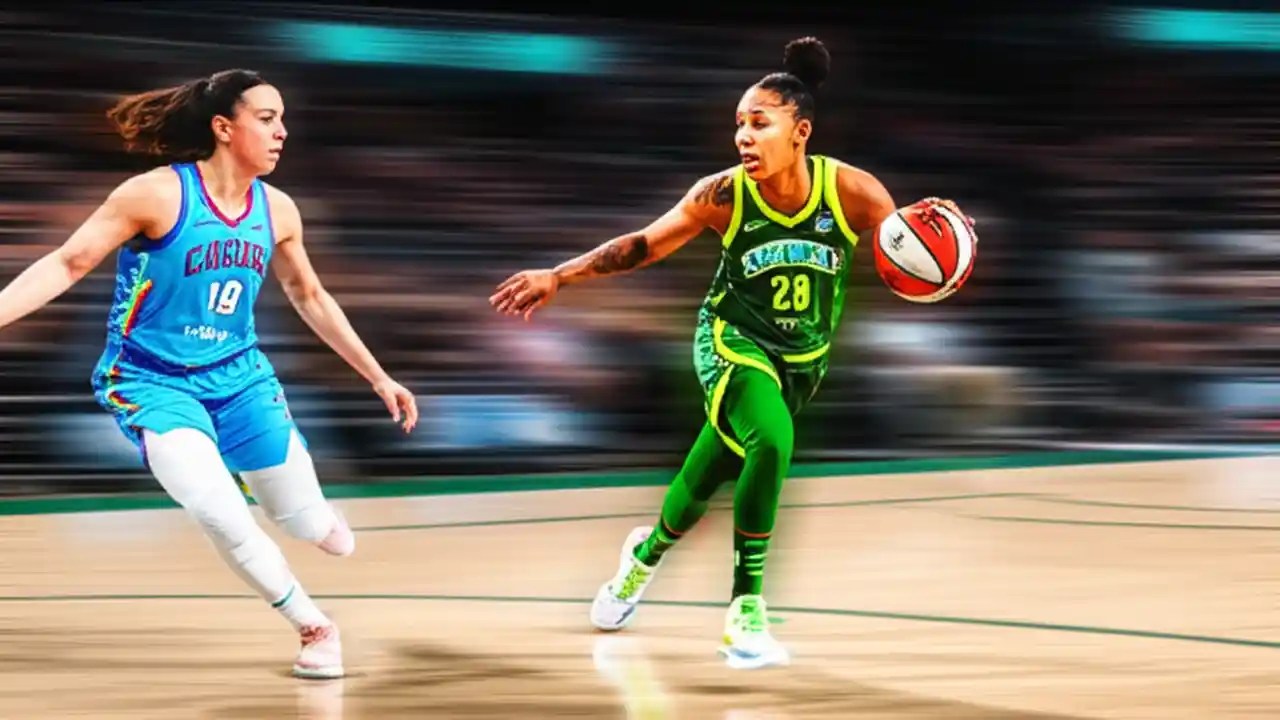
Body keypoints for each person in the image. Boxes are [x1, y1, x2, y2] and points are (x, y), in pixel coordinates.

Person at [491, 38, 972, 669]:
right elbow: (642, 245)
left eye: (759, 122)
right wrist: (560, 274)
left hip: (802, 363)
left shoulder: (853, 192)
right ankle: (745, 613)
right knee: (771, 442)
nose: (743, 136)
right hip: (730, 341)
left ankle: (642, 558)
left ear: (800, 132)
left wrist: (949, 238)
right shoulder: (720, 194)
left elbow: (906, 244)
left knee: (706, 479)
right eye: (738, 124)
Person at [0, 69, 418, 679]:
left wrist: (379, 377)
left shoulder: (277, 210)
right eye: (268, 119)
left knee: (305, 522)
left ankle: (313, 514)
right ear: (225, 128)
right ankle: (314, 626)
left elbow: (311, 296)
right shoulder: (156, 195)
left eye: (283, 120)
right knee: (218, 510)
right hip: (150, 382)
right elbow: (67, 263)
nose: (283, 133)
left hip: (240, 379)